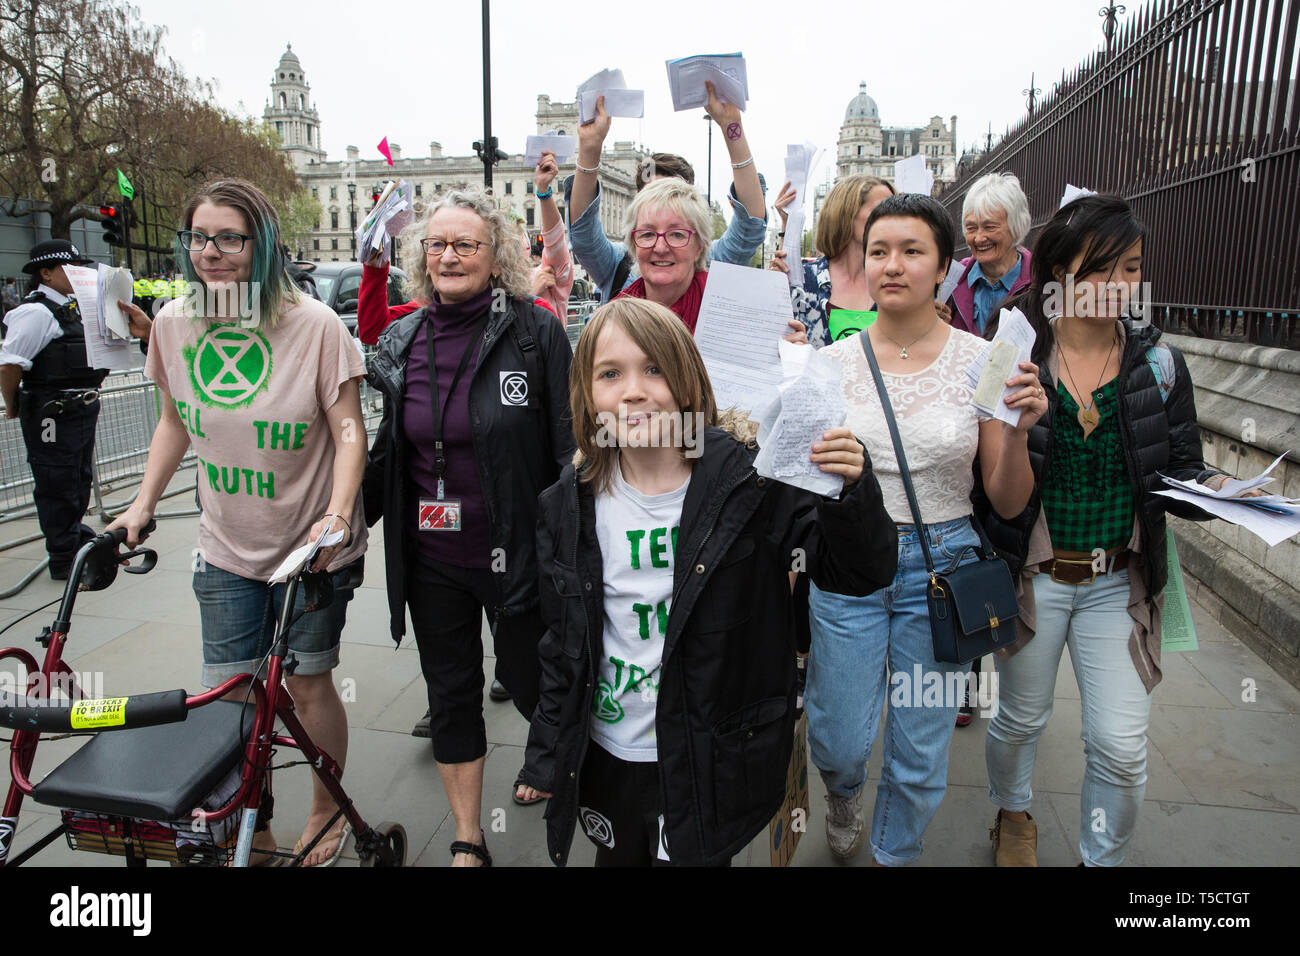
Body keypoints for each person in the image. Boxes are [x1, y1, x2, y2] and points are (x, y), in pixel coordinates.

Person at [514, 296, 896, 866]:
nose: (634, 390)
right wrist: (547, 753)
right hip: (610, 754)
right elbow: (563, 643)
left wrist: (849, 491)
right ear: (587, 394)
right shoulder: (567, 504)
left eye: (654, 369)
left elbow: (859, 570)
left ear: (689, 381)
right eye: (610, 374)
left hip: (706, 753)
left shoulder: (751, 481)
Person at [975, 195, 1249, 867]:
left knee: (1120, 748)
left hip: (1116, 583)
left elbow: (1181, 473)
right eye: (1100, 270)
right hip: (1032, 579)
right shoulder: (1009, 356)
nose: (1118, 287)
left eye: (1129, 269)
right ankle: (1013, 812)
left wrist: (1225, 493)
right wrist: (1017, 426)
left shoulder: (1159, 366)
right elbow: (1003, 504)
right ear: (1059, 272)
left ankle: (1101, 857)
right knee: (1019, 721)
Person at [107, 178, 366, 867]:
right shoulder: (172, 324)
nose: (210, 252)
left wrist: (337, 517)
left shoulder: (313, 325)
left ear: (262, 243)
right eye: (199, 236)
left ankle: (325, 809)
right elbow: (172, 423)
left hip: (308, 547)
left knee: (308, 685)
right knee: (232, 695)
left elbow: (349, 432)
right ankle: (257, 824)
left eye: (229, 237)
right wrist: (139, 507)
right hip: (224, 547)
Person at [807, 194, 1048, 865]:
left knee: (919, 754)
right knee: (841, 739)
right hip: (851, 566)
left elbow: (1004, 501)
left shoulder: (987, 360)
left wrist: (1021, 434)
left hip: (943, 569)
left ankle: (894, 852)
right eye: (879, 250)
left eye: (912, 251)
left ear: (944, 266)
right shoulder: (830, 363)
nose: (892, 265)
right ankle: (844, 791)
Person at [364, 187, 575, 865]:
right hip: (433, 560)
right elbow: (385, 454)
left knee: (539, 681)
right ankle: (467, 836)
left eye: (465, 245)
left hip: (518, 553)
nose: (449, 256)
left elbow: (570, 447)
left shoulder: (533, 331)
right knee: (451, 694)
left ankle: (568, 790)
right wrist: (334, 521)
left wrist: (572, 546)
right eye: (437, 245)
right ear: (422, 257)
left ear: (495, 256)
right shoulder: (400, 340)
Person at [0, 240, 149, 580]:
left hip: (79, 408)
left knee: (78, 478)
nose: (78, 274)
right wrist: (13, 404)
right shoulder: (35, 312)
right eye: (68, 268)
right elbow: (10, 364)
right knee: (57, 481)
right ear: (46, 273)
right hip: (52, 412)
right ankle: (64, 557)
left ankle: (75, 541)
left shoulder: (74, 308)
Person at [566, 86, 768, 304]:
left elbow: (750, 226)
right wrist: (590, 148)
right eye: (648, 232)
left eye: (677, 233)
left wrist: (732, 126)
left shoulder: (714, 262)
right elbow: (583, 235)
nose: (660, 247)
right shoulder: (618, 263)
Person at [946, 172, 1033, 336]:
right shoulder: (949, 279)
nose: (978, 238)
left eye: (990, 227)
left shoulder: (1042, 282)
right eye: (971, 228)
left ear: (1016, 226)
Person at [530, 150, 575, 319]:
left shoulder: (545, 274)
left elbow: (554, 238)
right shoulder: (487, 286)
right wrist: (530, 294)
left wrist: (543, 190)